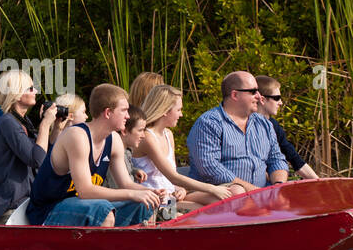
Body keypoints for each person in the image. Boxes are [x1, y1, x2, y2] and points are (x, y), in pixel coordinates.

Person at [27, 83, 162, 227]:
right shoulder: (77, 136)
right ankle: (106, 249)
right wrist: (132, 194)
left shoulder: (114, 139)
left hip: (83, 206)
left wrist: (151, 192)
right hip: (48, 210)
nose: (128, 116)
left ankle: (128, 247)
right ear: (108, 113)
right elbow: (85, 191)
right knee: (103, 210)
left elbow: (126, 184)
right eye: (124, 111)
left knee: (143, 204)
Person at [0, 70, 59, 224]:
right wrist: (45, 124)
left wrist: (54, 127)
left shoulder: (23, 122)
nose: (36, 92)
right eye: (31, 88)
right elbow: (36, 159)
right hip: (5, 207)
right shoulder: (8, 123)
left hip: (20, 202)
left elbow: (44, 156)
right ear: (18, 95)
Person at [135, 84, 236, 212]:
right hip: (155, 199)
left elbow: (173, 176)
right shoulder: (147, 137)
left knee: (223, 200)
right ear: (165, 111)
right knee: (206, 210)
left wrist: (180, 189)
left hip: (171, 195)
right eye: (178, 110)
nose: (181, 114)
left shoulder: (168, 134)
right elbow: (172, 176)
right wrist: (212, 188)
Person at [186, 71, 288, 192]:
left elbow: (276, 159)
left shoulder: (264, 123)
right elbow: (211, 169)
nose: (259, 96)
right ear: (235, 95)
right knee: (237, 191)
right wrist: (255, 191)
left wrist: (278, 185)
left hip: (261, 196)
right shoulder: (209, 123)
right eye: (253, 92)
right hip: (221, 197)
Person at [256, 75, 321, 180]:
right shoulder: (242, 124)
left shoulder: (274, 126)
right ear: (262, 100)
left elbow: (294, 159)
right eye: (276, 98)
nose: (281, 102)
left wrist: (320, 182)